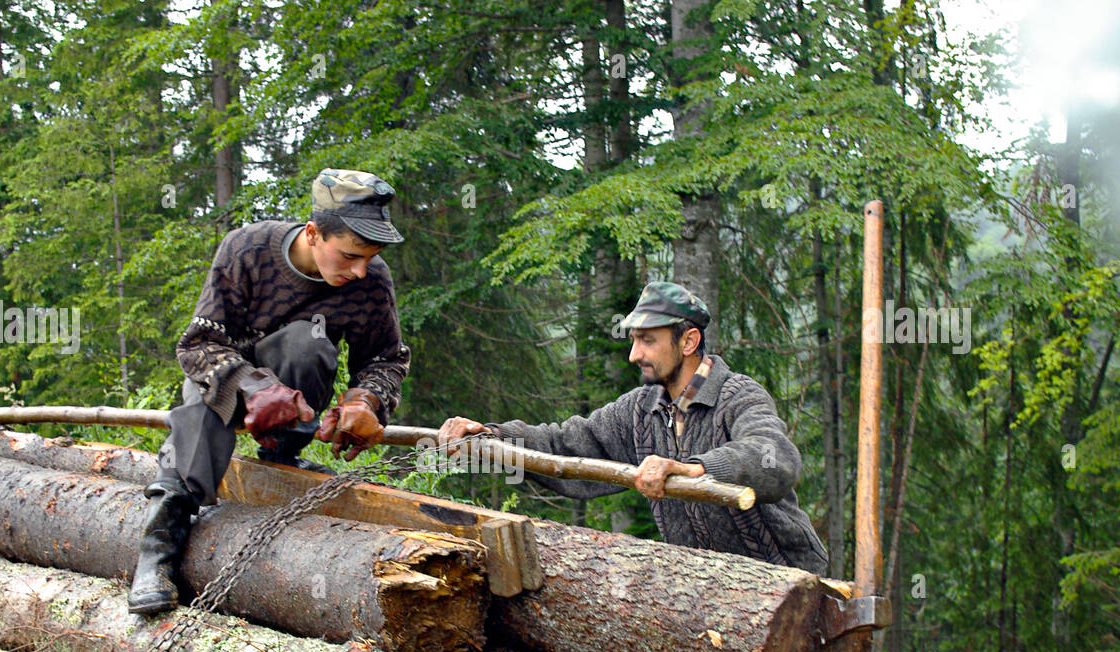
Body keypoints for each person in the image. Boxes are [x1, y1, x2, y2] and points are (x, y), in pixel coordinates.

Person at [128, 169, 410, 614]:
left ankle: (283, 454)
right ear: (314, 233)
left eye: (368, 258)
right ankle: (157, 551)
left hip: (295, 400)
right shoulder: (247, 249)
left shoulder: (371, 280)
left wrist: (365, 401)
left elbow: (385, 358)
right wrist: (254, 386)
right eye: (350, 256)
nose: (359, 270)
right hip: (226, 384)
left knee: (307, 344)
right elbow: (198, 344)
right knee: (200, 416)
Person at [437, 281, 829, 574]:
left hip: (789, 580)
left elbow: (776, 458)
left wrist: (695, 468)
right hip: (714, 588)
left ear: (689, 340)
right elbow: (565, 445)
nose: (633, 354)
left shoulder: (738, 396)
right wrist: (494, 436)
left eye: (646, 340)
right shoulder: (640, 409)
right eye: (633, 340)